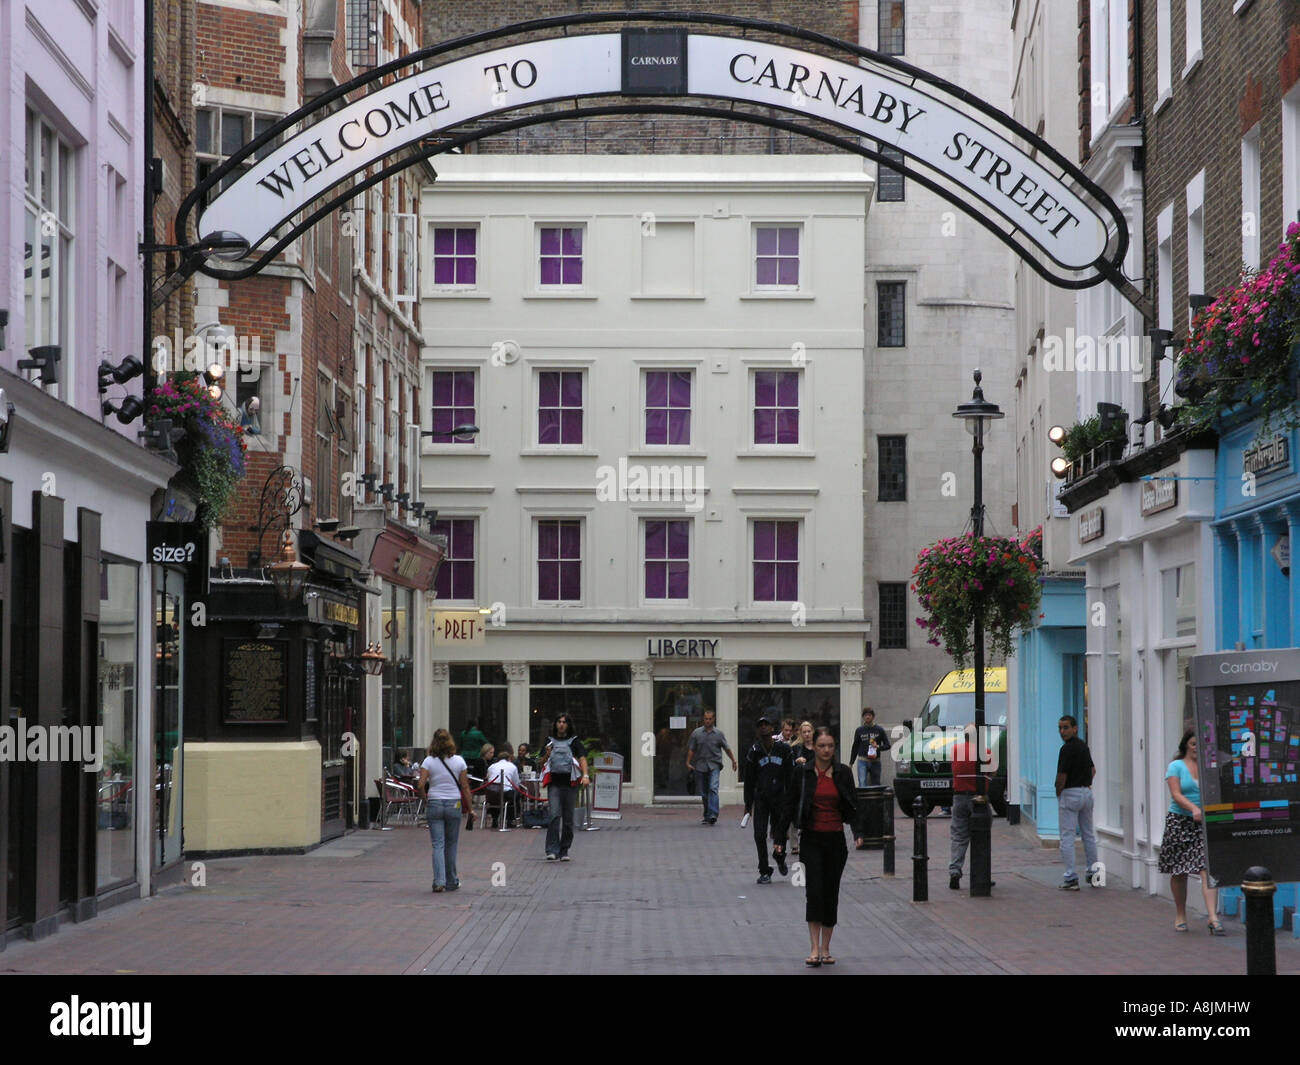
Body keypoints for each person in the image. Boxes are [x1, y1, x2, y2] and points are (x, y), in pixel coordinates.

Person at [792, 726, 863, 966]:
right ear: (815, 746)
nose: (825, 750)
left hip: (835, 840)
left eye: (830, 746)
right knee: (814, 892)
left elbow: (853, 803)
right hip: (811, 838)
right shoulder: (804, 772)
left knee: (831, 892)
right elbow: (790, 804)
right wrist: (780, 838)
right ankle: (813, 948)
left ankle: (826, 948)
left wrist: (858, 832)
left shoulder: (843, 773)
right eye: (821, 746)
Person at [1161, 730, 1222, 933]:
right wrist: (1193, 808)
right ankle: (1180, 913)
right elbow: (1176, 794)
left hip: (1203, 824)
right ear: (1186, 745)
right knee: (1180, 871)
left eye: (1201, 745)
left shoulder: (1209, 766)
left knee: (1208, 868)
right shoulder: (1175, 766)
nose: (1197, 748)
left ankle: (1213, 917)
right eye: (1194, 744)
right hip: (1179, 822)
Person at [417, 729, 473, 893]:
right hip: (453, 803)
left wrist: (425, 799)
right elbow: (465, 787)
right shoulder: (459, 762)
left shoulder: (428, 761)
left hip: (434, 802)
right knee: (451, 844)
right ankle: (452, 881)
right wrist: (470, 809)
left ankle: (438, 881)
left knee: (437, 844)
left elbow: (420, 785)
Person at [742, 717, 793, 884]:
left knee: (780, 833)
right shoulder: (754, 751)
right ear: (757, 731)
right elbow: (748, 780)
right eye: (760, 726)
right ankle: (764, 870)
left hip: (780, 798)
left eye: (766, 725)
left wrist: (791, 798)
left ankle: (779, 856)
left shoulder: (783, 750)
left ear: (772, 729)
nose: (763, 728)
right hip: (762, 798)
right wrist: (748, 804)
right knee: (759, 834)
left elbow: (791, 776)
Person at [1055, 715, 1099, 891]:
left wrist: (1059, 792)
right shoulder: (1083, 746)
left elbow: (1061, 776)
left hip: (1070, 792)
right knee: (1088, 834)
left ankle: (1071, 877)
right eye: (1060, 728)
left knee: (1067, 836)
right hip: (1086, 793)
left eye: (1065, 727)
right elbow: (1093, 770)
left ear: (1075, 728)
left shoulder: (1066, 749)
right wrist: (1086, 783)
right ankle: (1094, 873)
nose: (1062, 731)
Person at [542, 713, 589, 861]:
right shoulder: (549, 741)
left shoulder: (574, 741)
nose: (561, 724)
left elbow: (582, 758)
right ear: (555, 724)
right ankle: (552, 849)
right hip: (554, 783)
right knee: (554, 816)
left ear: (568, 725)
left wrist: (586, 775)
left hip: (570, 784)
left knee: (568, 819)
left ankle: (564, 850)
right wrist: (547, 754)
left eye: (564, 722)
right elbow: (541, 761)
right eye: (559, 722)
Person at [685, 709, 737, 825]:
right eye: (705, 719)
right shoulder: (696, 733)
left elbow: (726, 748)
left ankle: (713, 814)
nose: (707, 721)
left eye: (710, 719)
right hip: (700, 765)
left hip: (714, 765)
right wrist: (688, 762)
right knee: (704, 792)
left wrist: (733, 760)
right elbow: (691, 749)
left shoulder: (719, 734)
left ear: (713, 719)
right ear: (703, 719)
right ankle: (707, 814)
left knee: (713, 787)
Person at [947, 734, 977, 890]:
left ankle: (955, 870)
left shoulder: (955, 750)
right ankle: (980, 873)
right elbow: (992, 772)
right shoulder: (984, 751)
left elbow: (954, 769)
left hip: (959, 796)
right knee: (981, 836)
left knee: (959, 835)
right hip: (978, 799)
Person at [485, 743, 523, 829]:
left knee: (495, 797)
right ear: (509, 758)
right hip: (505, 793)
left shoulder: (491, 766)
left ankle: (495, 819)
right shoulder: (512, 766)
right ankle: (510, 820)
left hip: (491, 794)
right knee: (514, 796)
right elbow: (516, 783)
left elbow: (488, 779)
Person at [849, 708, 889, 787]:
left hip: (875, 761)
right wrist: (851, 763)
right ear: (863, 717)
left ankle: (876, 799)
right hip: (862, 761)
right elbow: (855, 747)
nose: (867, 717)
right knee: (862, 782)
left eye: (869, 715)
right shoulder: (859, 730)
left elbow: (887, 745)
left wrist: (878, 746)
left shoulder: (879, 730)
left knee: (876, 784)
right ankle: (863, 799)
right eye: (865, 715)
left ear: (873, 717)